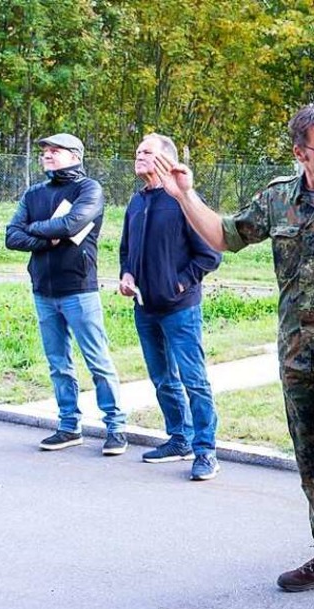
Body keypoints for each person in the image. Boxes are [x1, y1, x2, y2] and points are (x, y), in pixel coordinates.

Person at [153, 104, 314, 609]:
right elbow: (225, 235)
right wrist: (185, 194)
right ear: (300, 153)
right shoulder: (277, 199)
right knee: (313, 458)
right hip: (296, 355)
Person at [5, 133, 128, 455]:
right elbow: (11, 236)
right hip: (43, 290)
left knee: (97, 361)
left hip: (79, 289)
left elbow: (72, 225)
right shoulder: (34, 193)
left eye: (55, 150)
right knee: (58, 364)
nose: (47, 155)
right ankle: (69, 426)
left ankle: (115, 427)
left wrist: (35, 228)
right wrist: (47, 237)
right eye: (45, 150)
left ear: (75, 155)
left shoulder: (89, 189)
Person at [117, 133, 223, 481]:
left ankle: (205, 450)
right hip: (144, 308)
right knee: (162, 379)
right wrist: (127, 274)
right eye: (138, 151)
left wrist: (179, 283)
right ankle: (179, 439)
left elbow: (210, 254)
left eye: (147, 152)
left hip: (180, 309)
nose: (139, 155)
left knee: (193, 380)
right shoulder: (136, 201)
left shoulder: (182, 200)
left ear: (166, 160)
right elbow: (125, 251)